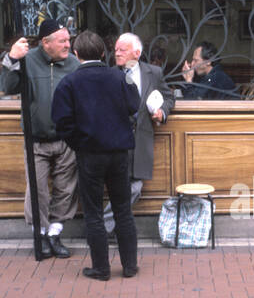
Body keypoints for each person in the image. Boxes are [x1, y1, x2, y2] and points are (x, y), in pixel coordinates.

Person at [51, 29, 140, 281]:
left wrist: (79, 143)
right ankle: (130, 266)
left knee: (93, 212)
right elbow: (134, 104)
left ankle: (101, 268)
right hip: (119, 152)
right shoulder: (120, 77)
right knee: (123, 209)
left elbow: (62, 122)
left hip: (90, 154)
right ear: (104, 52)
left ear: (76, 54)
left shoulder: (68, 82)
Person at [0, 17, 80, 258]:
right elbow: (8, 86)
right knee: (37, 190)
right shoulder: (28, 60)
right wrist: (12, 59)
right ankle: (40, 234)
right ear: (46, 42)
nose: (68, 45)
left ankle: (55, 233)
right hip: (36, 139)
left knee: (66, 189)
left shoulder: (73, 64)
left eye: (68, 40)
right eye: (62, 40)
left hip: (66, 139)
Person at [103, 32, 176, 240]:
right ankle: (110, 229)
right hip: (115, 141)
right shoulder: (109, 74)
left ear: (137, 52)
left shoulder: (154, 73)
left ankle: (103, 226)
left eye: (122, 50)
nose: (116, 53)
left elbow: (169, 97)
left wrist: (162, 112)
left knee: (135, 187)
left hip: (141, 140)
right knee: (120, 187)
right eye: (115, 49)